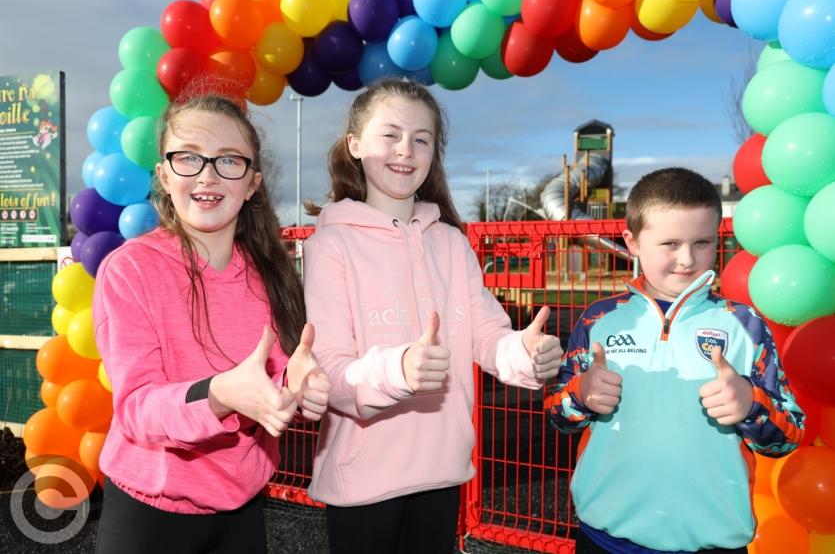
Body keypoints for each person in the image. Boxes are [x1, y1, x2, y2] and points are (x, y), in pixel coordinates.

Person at [302, 78, 564, 554]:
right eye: (390, 134)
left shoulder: (451, 242)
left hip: (440, 471)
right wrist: (398, 370)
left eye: (421, 139)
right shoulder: (331, 245)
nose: (406, 149)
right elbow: (329, 369)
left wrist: (524, 354)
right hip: (362, 481)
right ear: (355, 144)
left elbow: (488, 334)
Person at [92, 94, 331, 553]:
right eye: (188, 157)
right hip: (149, 512)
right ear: (164, 175)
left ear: (252, 183)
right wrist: (220, 394)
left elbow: (278, 376)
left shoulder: (272, 274)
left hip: (242, 507)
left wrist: (300, 385)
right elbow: (138, 407)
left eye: (229, 160)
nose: (207, 175)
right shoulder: (130, 270)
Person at [545, 167, 806, 553]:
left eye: (702, 242)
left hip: (713, 540)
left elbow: (789, 438)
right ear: (632, 242)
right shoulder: (599, 320)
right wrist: (580, 394)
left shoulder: (744, 325)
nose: (687, 259)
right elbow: (557, 416)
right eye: (670, 243)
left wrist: (751, 405)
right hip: (604, 538)